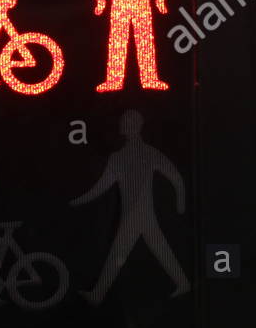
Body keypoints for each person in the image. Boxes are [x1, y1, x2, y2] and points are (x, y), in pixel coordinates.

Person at [71, 111, 190, 304]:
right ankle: (182, 282)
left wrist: (181, 204)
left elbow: (175, 177)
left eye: (126, 122)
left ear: (135, 126)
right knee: (156, 249)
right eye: (123, 121)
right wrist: (80, 200)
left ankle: (97, 295)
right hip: (136, 215)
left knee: (119, 254)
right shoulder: (120, 157)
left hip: (135, 215)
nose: (122, 125)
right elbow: (102, 186)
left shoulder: (146, 153)